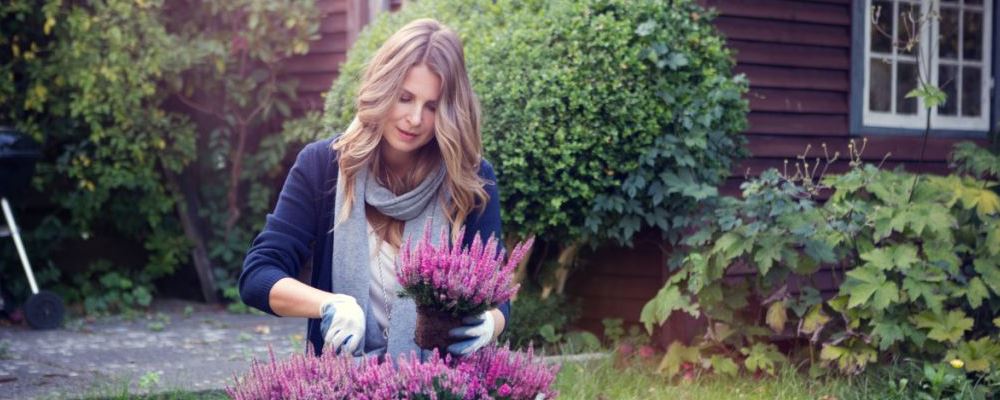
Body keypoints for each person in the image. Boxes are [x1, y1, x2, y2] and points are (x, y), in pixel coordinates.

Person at [239, 18, 508, 359]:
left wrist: (488, 323)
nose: (414, 119)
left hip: (439, 385)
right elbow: (258, 276)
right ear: (383, 88)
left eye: (432, 106)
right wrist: (329, 304)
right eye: (404, 97)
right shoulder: (323, 167)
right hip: (341, 386)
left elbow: (499, 298)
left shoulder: (470, 179)